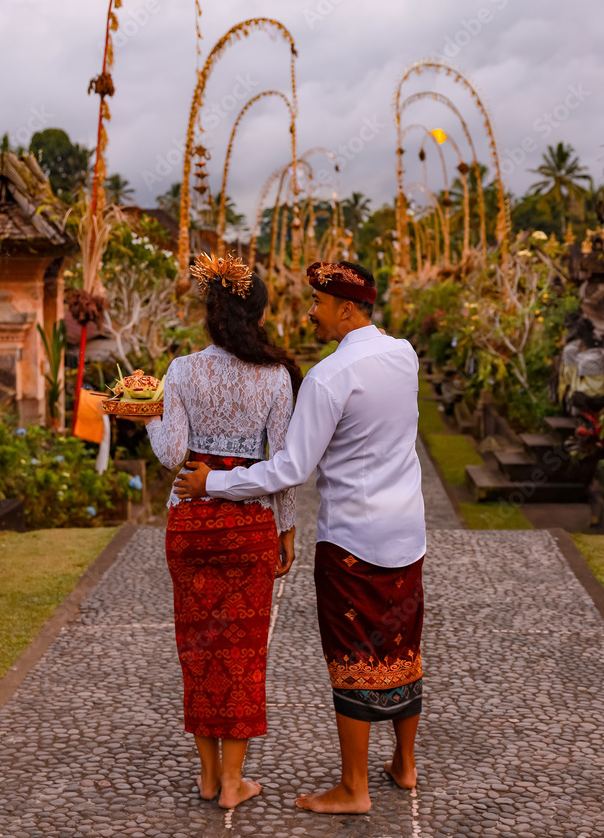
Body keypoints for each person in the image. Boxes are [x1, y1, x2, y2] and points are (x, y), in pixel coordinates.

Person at [176, 260, 426, 815]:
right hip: (408, 525)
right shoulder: (403, 354)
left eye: (318, 302)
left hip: (354, 536)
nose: (311, 312)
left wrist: (212, 481)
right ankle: (404, 764)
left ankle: (354, 787)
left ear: (347, 307)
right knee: (403, 643)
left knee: (354, 653)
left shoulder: (330, 376)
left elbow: (290, 468)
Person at [144, 252, 301, 809]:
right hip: (250, 521)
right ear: (256, 317)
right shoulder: (276, 376)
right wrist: (287, 530)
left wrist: (147, 412)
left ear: (210, 314)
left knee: (198, 648)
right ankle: (234, 782)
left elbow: (170, 454)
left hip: (189, 520)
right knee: (242, 652)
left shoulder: (182, 371)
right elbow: (282, 464)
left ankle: (210, 777)